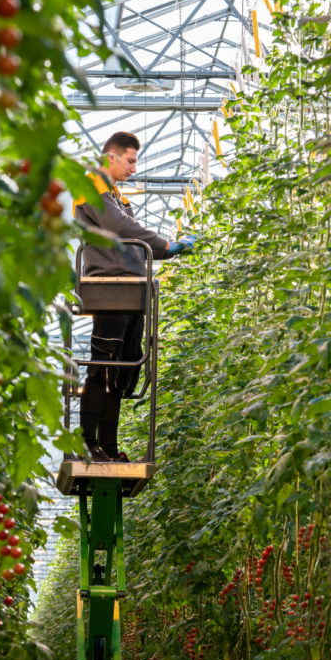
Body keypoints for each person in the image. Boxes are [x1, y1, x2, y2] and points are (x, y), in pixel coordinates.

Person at [72, 131, 193, 463]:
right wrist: (166, 244)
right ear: (111, 156)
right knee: (104, 364)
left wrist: (172, 251)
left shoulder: (112, 193)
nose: (134, 169)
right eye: (130, 160)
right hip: (110, 286)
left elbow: (130, 238)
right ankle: (87, 443)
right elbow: (120, 227)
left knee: (123, 369)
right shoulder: (91, 184)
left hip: (130, 288)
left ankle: (107, 447)